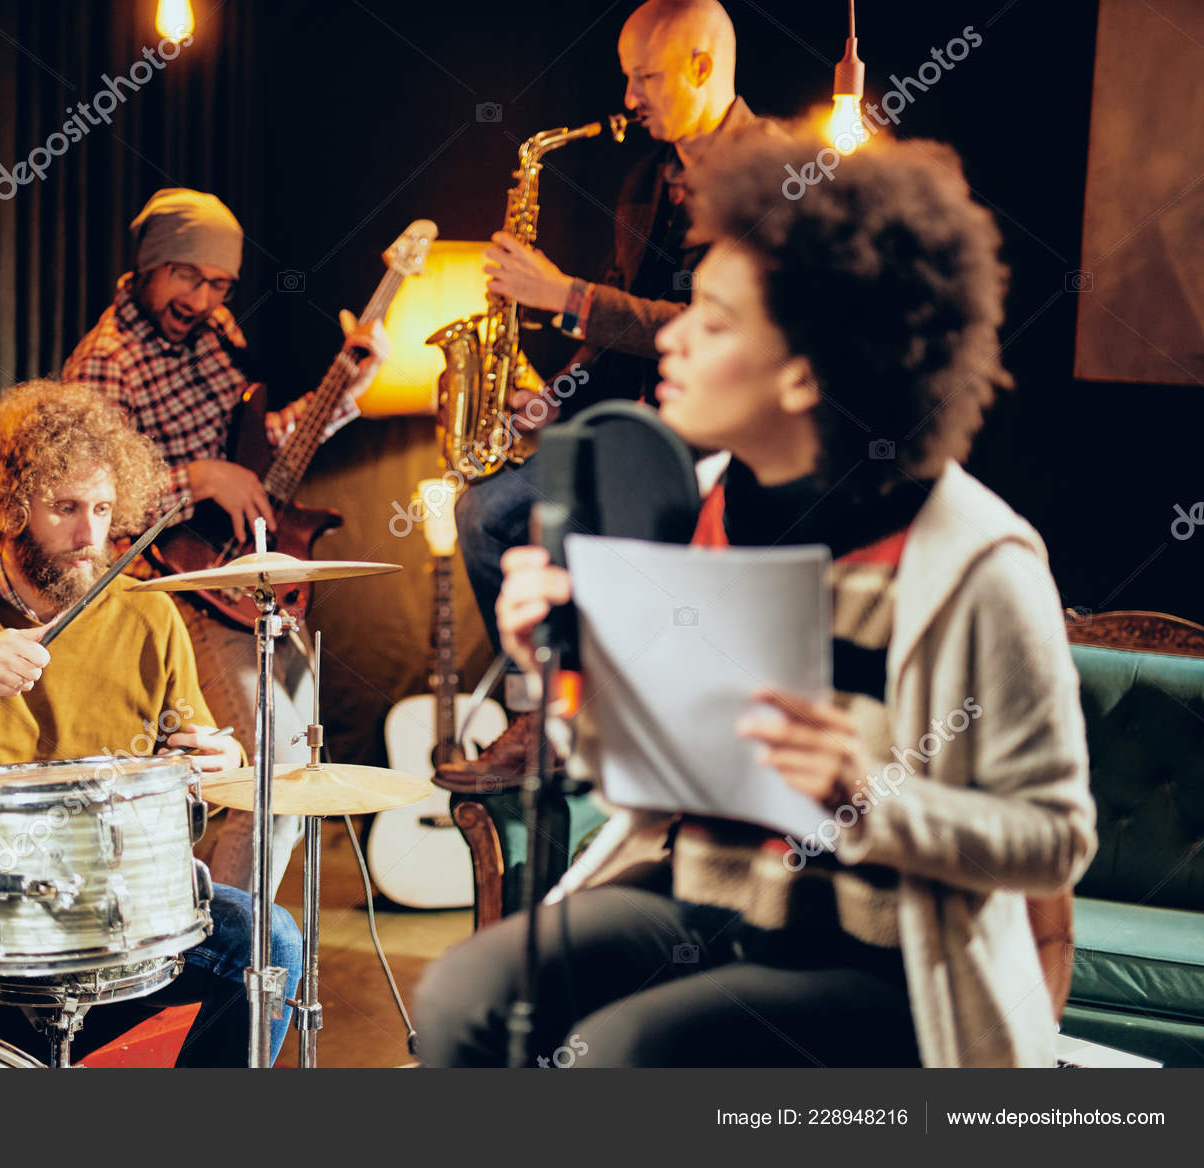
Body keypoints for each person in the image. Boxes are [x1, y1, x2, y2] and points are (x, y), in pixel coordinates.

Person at [414, 132, 1097, 1067]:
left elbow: (1053, 842)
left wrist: (868, 802)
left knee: (619, 1056)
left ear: (804, 372)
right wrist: (563, 666)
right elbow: (635, 768)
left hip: (881, 958)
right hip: (704, 901)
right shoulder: (698, 507)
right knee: (463, 996)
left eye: (717, 321)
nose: (677, 335)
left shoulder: (981, 563)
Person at [0, 379, 303, 1066]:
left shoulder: (148, 610)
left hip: (113, 901)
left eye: (105, 508)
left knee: (268, 938)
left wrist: (219, 758)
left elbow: (197, 742)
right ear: (10, 506)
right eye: (67, 509)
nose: (91, 537)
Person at [441, 0, 773, 788]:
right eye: (628, 79)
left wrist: (564, 295)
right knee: (483, 510)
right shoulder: (645, 176)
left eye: (646, 78)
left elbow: (718, 325)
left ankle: (596, 723)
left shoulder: (773, 174)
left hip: (729, 440)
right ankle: (546, 712)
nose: (630, 99)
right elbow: (628, 320)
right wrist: (557, 394)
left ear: (702, 66)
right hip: (635, 426)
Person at [64, 187, 389, 892]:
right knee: (265, 785)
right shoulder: (106, 360)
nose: (204, 298)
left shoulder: (217, 338)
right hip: (172, 594)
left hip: (237, 585)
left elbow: (265, 448)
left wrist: (346, 386)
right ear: (151, 265)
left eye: (219, 284)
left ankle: (238, 962)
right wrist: (200, 478)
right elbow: (88, 506)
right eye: (189, 276)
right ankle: (227, 971)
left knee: (293, 776)